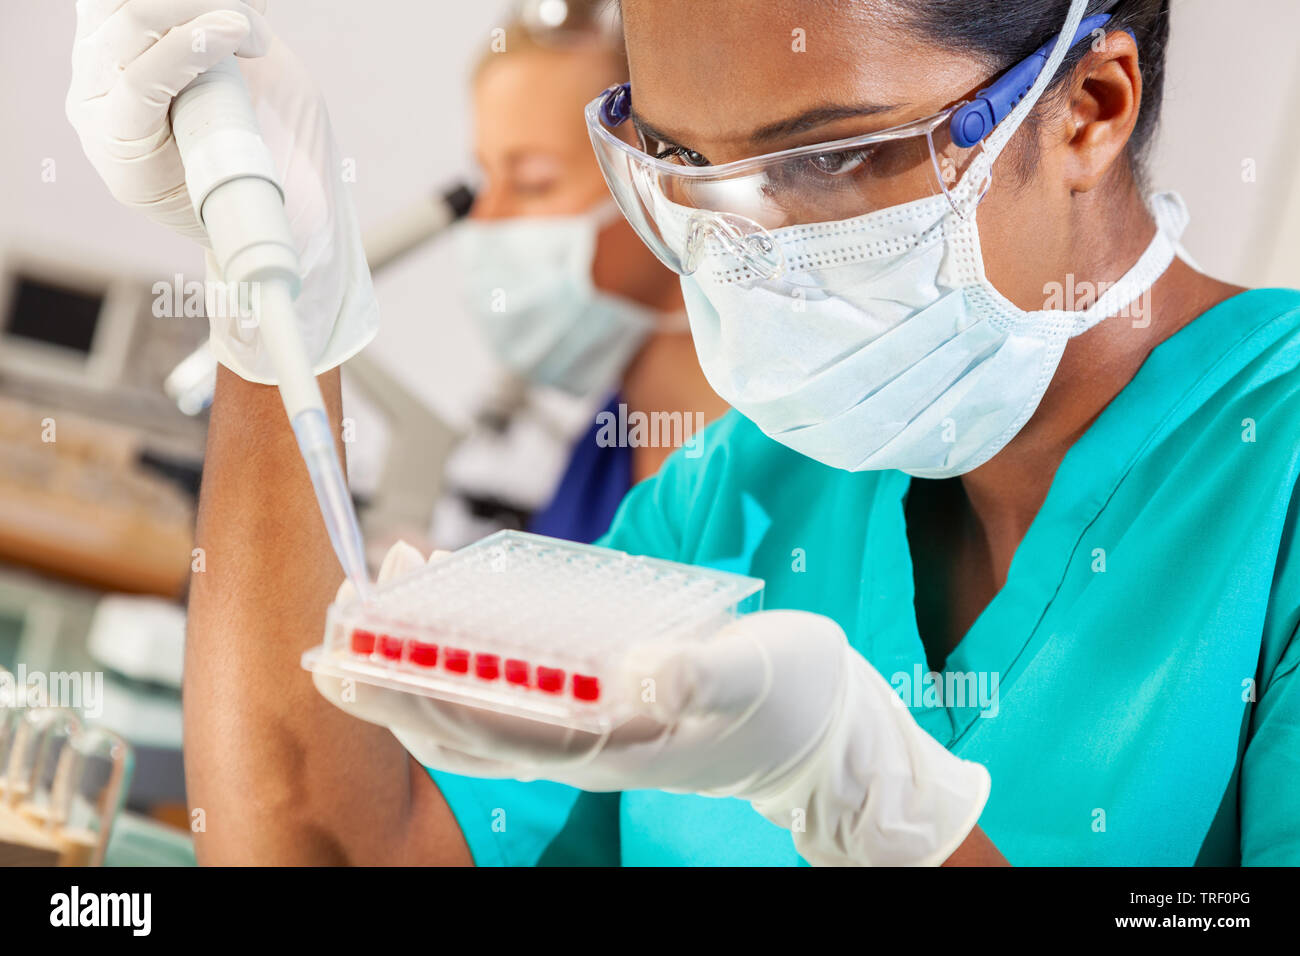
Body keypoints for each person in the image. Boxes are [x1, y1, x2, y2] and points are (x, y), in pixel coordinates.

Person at [67, 0, 1300, 866]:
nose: (749, 254)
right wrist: (280, 292)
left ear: (1087, 108)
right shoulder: (739, 495)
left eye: (824, 159)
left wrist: (878, 812)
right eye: (680, 165)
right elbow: (324, 852)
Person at [442, 14, 729, 546]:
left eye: (533, 183)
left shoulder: (804, 459)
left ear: (672, 184)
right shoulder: (581, 448)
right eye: (484, 179)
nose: (484, 219)